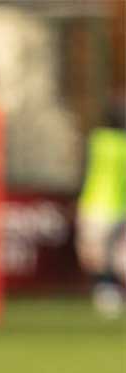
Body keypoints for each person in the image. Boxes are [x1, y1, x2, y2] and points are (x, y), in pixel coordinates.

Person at [75, 98, 126, 318]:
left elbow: (83, 169)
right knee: (113, 254)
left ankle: (105, 290)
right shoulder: (113, 143)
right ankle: (108, 291)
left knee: (97, 254)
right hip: (114, 205)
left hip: (95, 204)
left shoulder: (96, 140)